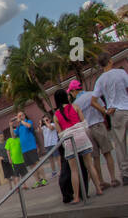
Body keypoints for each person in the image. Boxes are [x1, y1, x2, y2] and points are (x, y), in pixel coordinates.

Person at [71, 79, 117, 192]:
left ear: (73, 91)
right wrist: (103, 118)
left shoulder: (75, 104)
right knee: (107, 153)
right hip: (98, 124)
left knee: (95, 157)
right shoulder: (92, 94)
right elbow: (102, 108)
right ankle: (113, 179)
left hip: (87, 130)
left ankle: (101, 181)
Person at [53, 86, 95, 204]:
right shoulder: (75, 107)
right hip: (81, 137)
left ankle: (75, 196)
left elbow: (60, 133)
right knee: (88, 166)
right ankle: (96, 189)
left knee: (73, 170)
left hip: (69, 142)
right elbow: (84, 122)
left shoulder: (56, 115)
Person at [93, 51, 128, 183]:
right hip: (126, 108)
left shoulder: (100, 80)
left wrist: (105, 111)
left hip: (114, 113)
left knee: (120, 144)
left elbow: (93, 100)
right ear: (110, 61)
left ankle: (125, 174)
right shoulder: (121, 73)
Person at [13, 111, 44, 186]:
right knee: (31, 166)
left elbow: (29, 126)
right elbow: (13, 136)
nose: (20, 117)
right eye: (18, 116)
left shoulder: (28, 121)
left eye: (21, 115)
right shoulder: (19, 127)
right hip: (24, 150)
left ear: (24, 116)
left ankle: (43, 179)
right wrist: (11, 126)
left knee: (37, 163)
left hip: (31, 147)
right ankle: (37, 181)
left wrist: (21, 121)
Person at [40, 115, 60, 180]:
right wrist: (40, 124)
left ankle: (61, 170)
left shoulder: (53, 124)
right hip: (47, 145)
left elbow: (51, 128)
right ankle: (54, 172)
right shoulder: (44, 127)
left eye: (47, 120)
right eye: (44, 120)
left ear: (50, 120)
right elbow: (39, 131)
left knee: (57, 158)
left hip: (54, 143)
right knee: (51, 159)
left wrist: (46, 123)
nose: (45, 121)